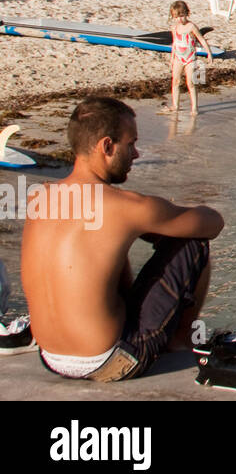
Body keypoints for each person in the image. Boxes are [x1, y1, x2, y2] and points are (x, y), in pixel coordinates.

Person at [21, 96, 224, 381]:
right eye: (131, 144)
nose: (136, 154)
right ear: (107, 146)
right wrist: (157, 224)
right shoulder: (125, 206)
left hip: (51, 357)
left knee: (108, 248)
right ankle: (180, 341)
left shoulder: (39, 197)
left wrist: (139, 228)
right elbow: (212, 224)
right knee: (192, 241)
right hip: (112, 361)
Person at [163, 2, 212, 116]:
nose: (180, 19)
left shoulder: (191, 27)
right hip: (178, 58)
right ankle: (175, 105)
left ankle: (194, 107)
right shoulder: (174, 27)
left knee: (190, 83)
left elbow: (202, 40)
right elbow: (175, 43)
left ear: (187, 13)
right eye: (176, 17)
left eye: (182, 16)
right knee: (175, 81)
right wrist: (172, 58)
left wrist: (209, 53)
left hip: (190, 58)